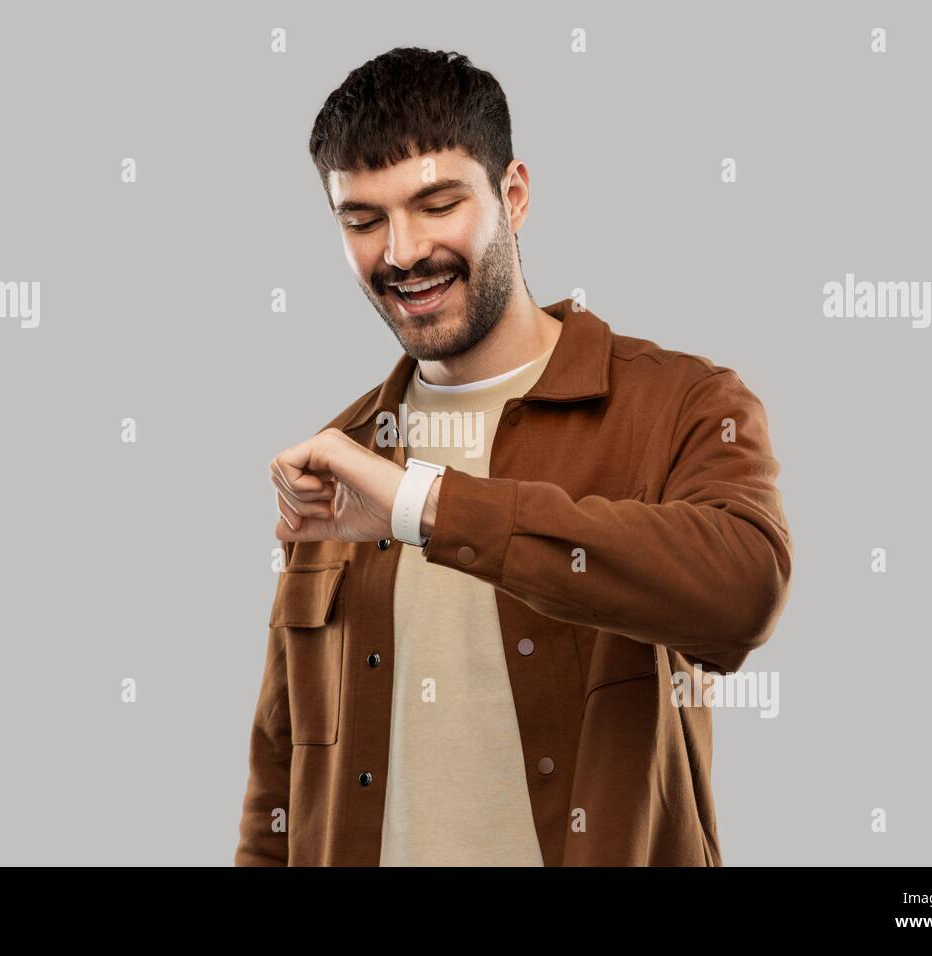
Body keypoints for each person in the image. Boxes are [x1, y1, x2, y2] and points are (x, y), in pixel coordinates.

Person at [236, 47, 793, 866]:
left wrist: (420, 506)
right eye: (363, 220)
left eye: (436, 203)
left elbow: (744, 593)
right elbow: (278, 786)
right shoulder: (341, 457)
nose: (401, 251)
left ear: (514, 195)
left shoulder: (681, 403)